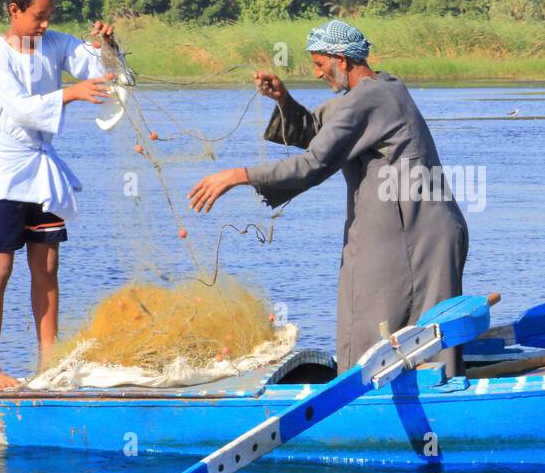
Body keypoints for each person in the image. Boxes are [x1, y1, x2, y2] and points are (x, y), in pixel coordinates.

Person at [187, 20, 471, 375]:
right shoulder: (378, 89)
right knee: (396, 329)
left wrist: (238, 175)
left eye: (320, 64)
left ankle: (384, 406)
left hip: (417, 235)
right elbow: (316, 131)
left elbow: (314, 163)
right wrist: (284, 100)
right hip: (419, 230)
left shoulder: (370, 98)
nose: (318, 73)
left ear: (342, 59)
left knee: (385, 329)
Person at [0, 0, 118, 390]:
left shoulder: (54, 43)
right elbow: (21, 110)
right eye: (38, 16)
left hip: (42, 172)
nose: (45, 25)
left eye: (50, 16)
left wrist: (108, 45)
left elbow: (101, 69)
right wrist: (71, 94)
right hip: (5, 172)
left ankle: (48, 366)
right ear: (14, 10)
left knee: (47, 266)